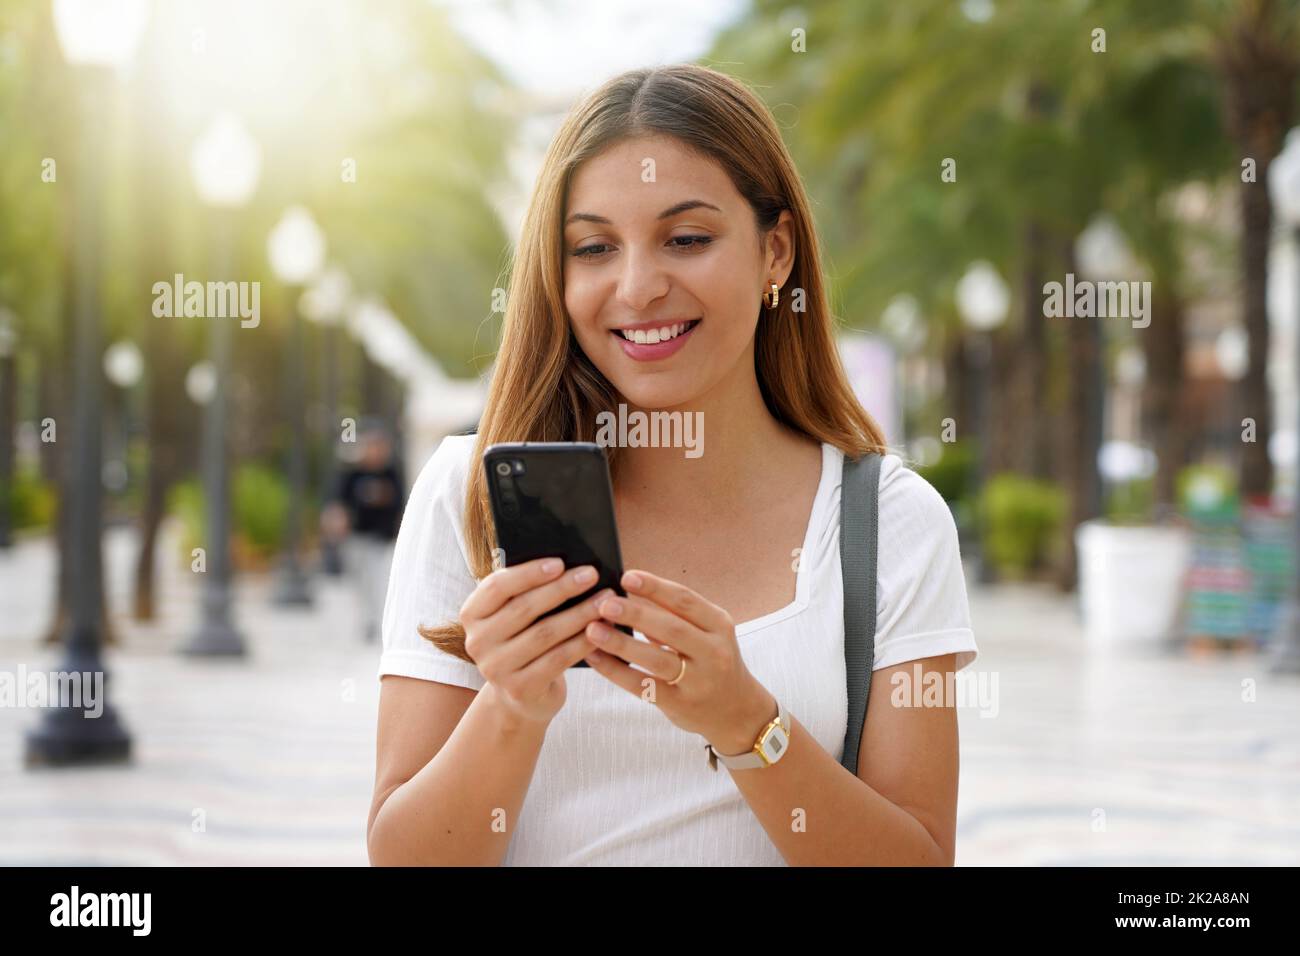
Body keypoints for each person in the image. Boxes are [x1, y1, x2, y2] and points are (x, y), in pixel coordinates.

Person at [368, 64, 978, 866]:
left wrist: (746, 723)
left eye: (686, 238)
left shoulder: (891, 523)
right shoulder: (469, 495)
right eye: (593, 247)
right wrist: (512, 706)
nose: (638, 286)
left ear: (776, 253)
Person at [322, 422, 405, 643]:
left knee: (379, 580)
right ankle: (366, 619)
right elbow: (338, 504)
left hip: (381, 539)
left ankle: (377, 621)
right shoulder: (352, 474)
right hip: (356, 538)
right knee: (360, 580)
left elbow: (399, 502)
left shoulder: (391, 473)